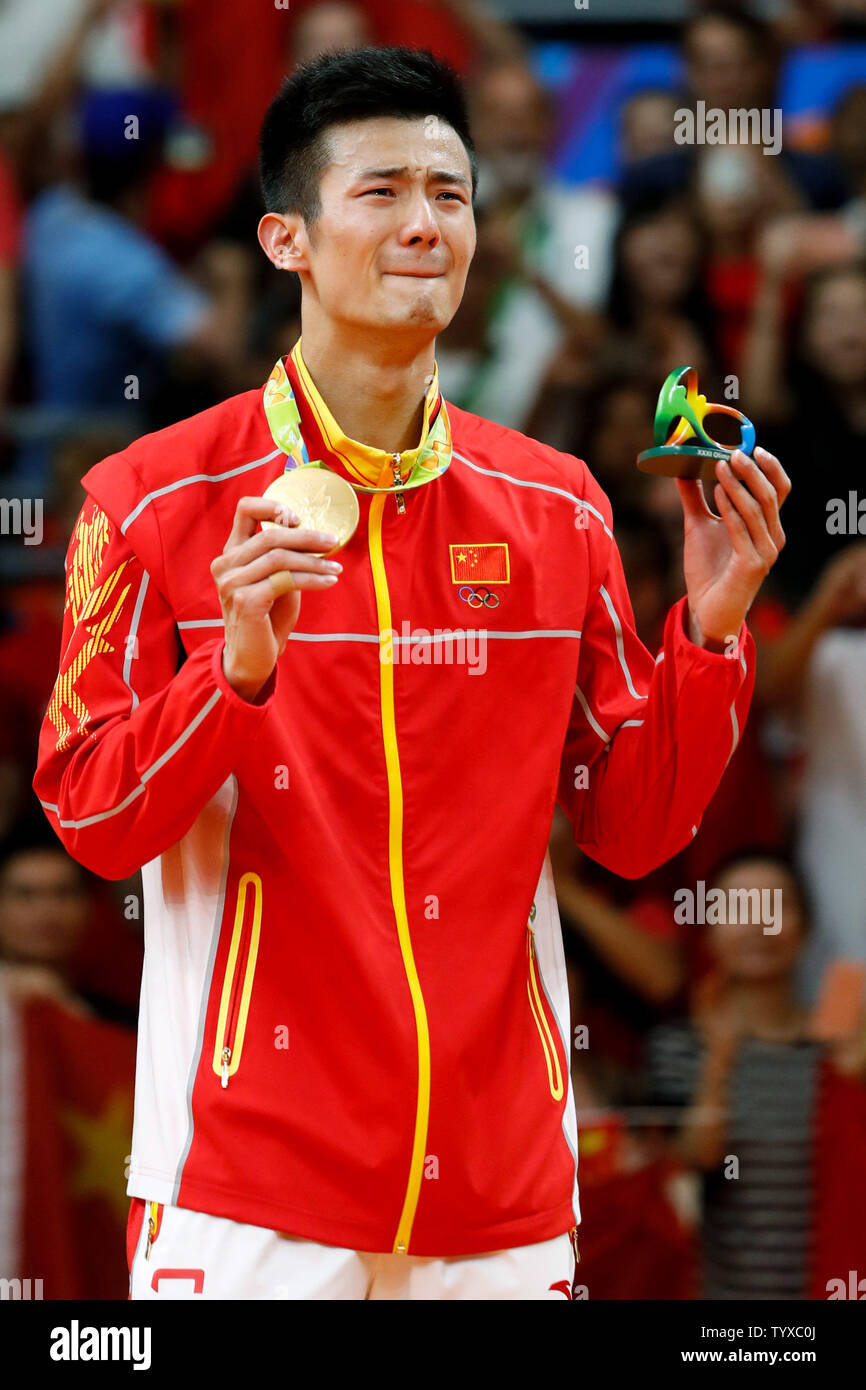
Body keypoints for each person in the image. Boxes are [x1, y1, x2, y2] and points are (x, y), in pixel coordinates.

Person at [33, 46, 790, 1301]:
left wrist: (706, 637)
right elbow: (95, 819)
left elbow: (634, 830)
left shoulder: (561, 509)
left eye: (449, 194)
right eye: (379, 192)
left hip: (499, 1186)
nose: (425, 223)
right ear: (285, 239)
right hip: (244, 1180)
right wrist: (236, 669)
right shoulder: (152, 498)